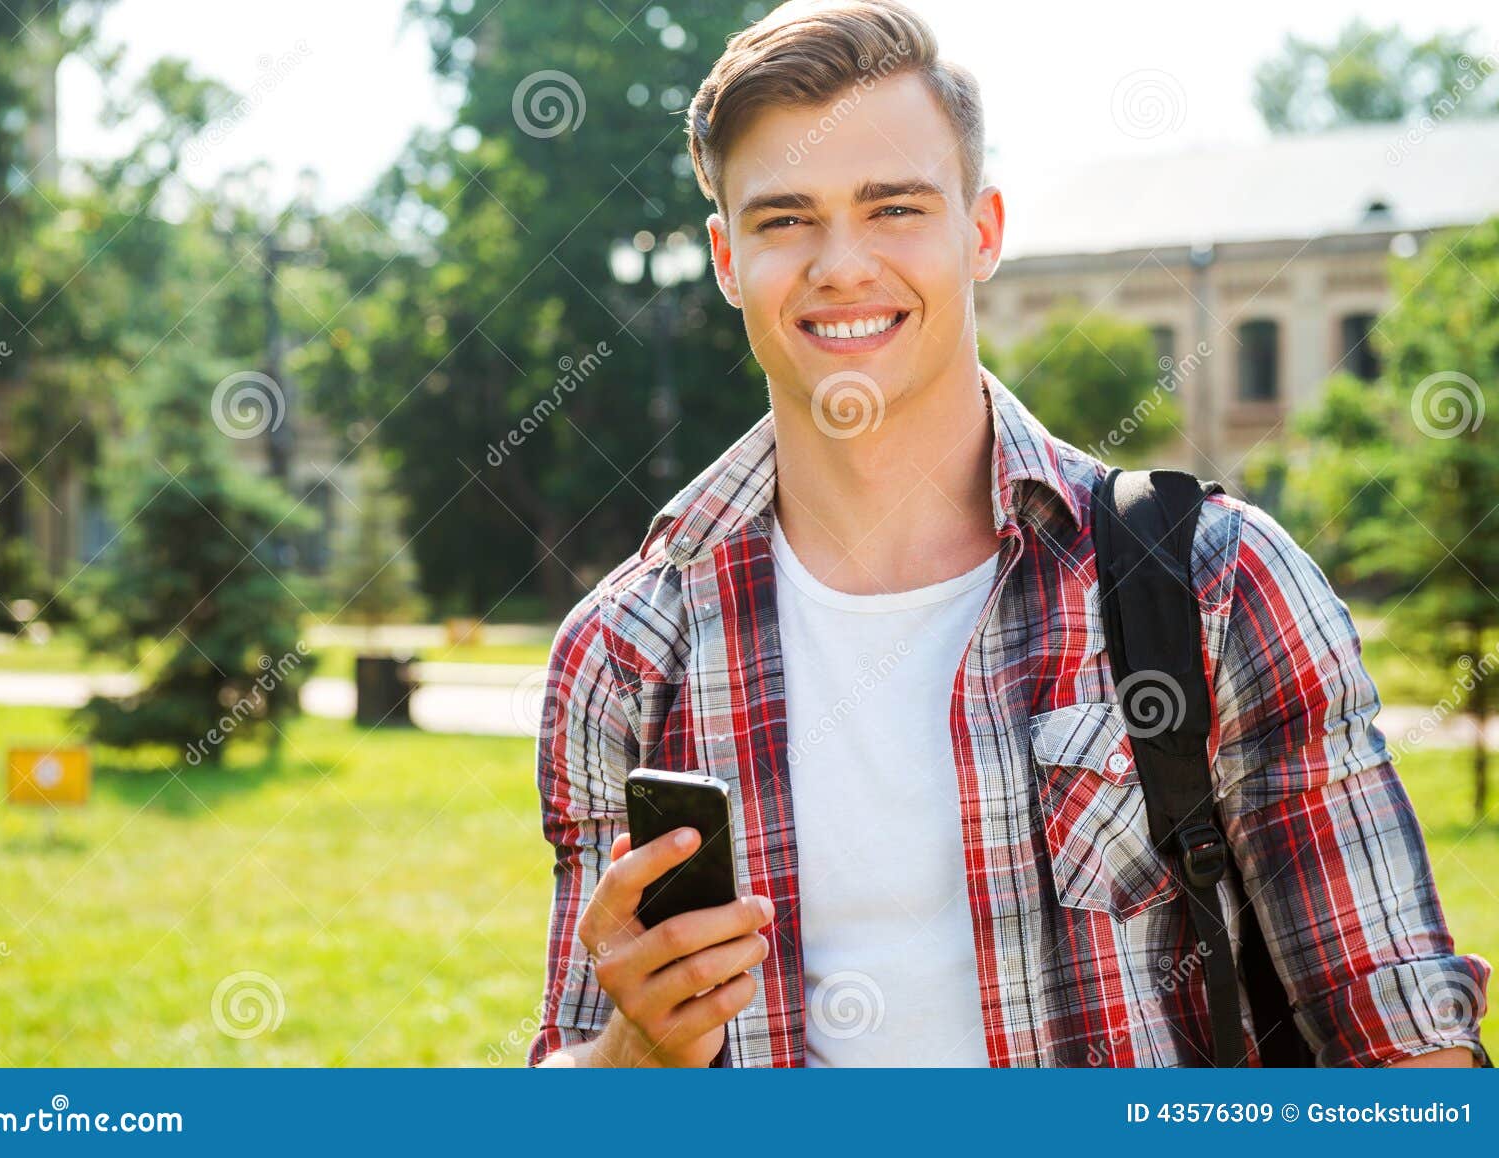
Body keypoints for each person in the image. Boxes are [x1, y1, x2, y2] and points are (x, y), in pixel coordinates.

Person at [526, 0, 1489, 1067]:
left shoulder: (1214, 583)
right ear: (723, 258)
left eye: (893, 208)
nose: (840, 263)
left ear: (980, 232)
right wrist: (632, 1052)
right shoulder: (620, 654)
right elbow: (574, 1079)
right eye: (784, 219)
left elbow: (1403, 1049)